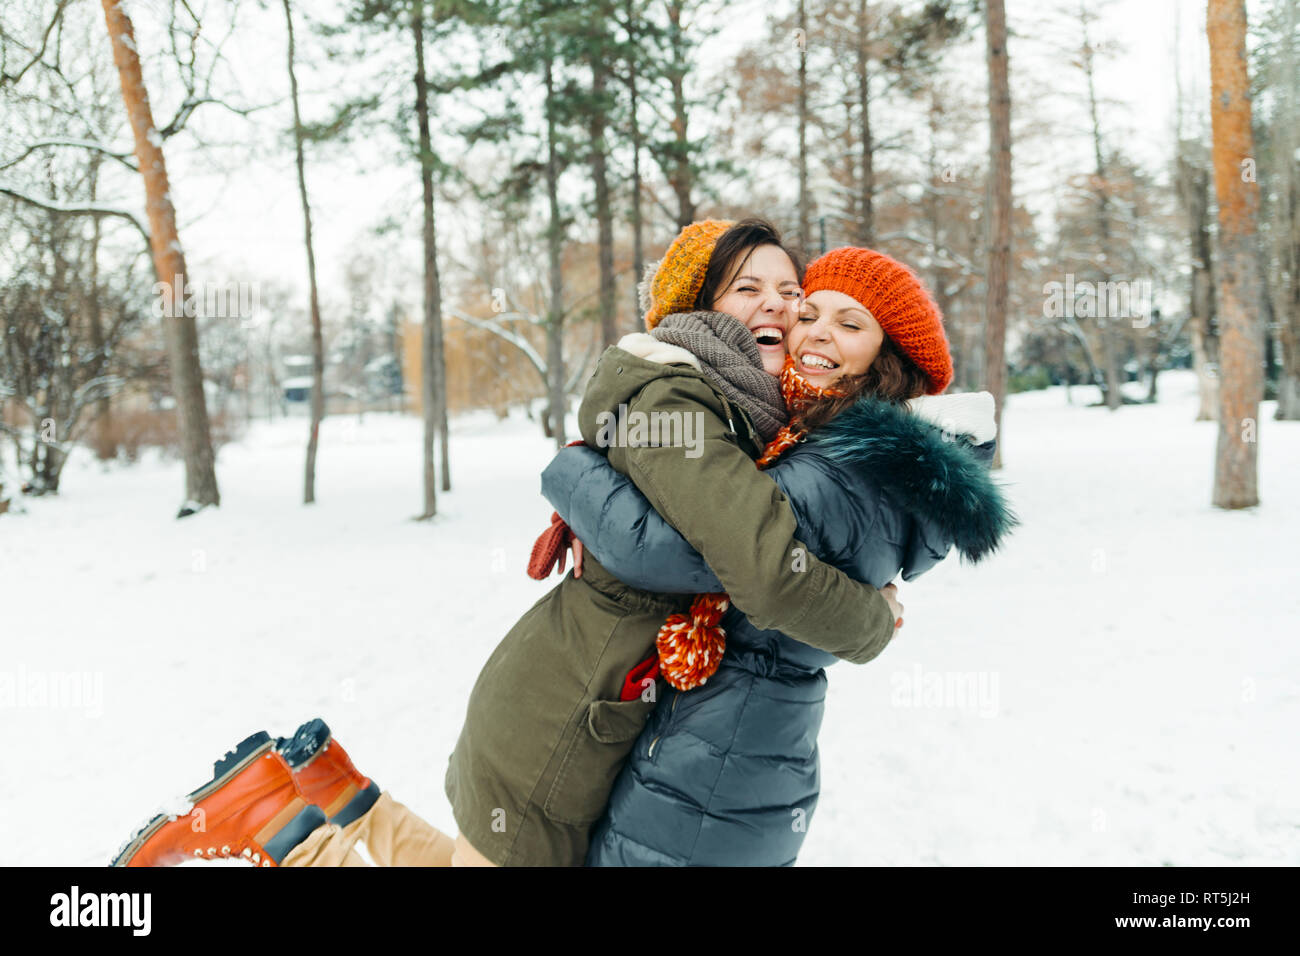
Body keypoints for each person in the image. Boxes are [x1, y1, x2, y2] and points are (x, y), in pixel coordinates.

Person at [109, 220, 903, 868]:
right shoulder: (678, 393)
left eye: (788, 290)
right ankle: (280, 828)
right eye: (746, 287)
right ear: (697, 305)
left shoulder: (746, 415)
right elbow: (754, 561)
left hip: (579, 711)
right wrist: (871, 617)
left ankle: (345, 799)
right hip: (558, 723)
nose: (776, 306)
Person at [542, 245, 1017, 865]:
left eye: (850, 324)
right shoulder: (822, 437)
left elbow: (670, 550)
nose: (817, 333)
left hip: (716, 765)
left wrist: (574, 470)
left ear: (889, 354)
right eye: (812, 312)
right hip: (739, 754)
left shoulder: (842, 467)